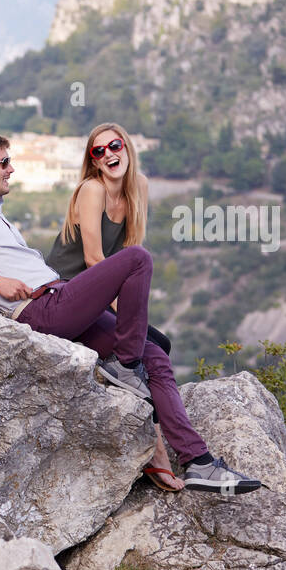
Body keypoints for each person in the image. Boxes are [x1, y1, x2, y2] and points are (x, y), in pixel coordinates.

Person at [0, 130, 260, 494]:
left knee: (157, 355)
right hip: (42, 308)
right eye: (3, 162)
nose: (11, 169)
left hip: (61, 299)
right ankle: (126, 366)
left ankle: (198, 463)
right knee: (136, 260)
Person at [45, 122, 181, 490]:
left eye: (114, 145)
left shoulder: (140, 187)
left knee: (158, 345)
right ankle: (157, 453)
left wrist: (131, 314)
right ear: (93, 162)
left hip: (103, 298)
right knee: (141, 348)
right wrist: (129, 315)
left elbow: (131, 250)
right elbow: (94, 260)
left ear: (127, 147)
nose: (108, 154)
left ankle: (154, 439)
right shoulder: (91, 190)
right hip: (69, 292)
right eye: (98, 151)